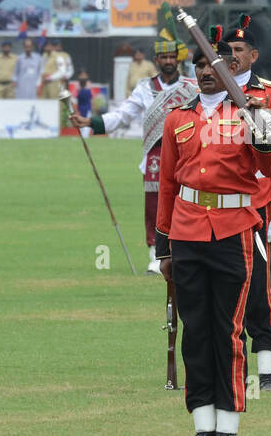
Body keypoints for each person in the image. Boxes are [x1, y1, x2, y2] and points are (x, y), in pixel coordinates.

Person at [156, 40, 271, 436]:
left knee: (228, 330)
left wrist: (264, 136)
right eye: (201, 66)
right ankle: (202, 426)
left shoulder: (250, 112)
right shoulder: (178, 119)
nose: (207, 72)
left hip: (232, 229)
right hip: (187, 231)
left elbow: (270, 169)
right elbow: (168, 183)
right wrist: (164, 246)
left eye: (215, 65)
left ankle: (228, 428)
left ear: (229, 70)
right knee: (195, 332)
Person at [70, 37, 196, 273]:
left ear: (177, 59)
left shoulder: (190, 86)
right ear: (156, 60)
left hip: (186, 150)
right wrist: (91, 122)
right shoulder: (145, 88)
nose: (169, 61)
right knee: (155, 205)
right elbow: (123, 115)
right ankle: (156, 255)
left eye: (172, 57)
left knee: (187, 201)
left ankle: (186, 253)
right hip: (156, 153)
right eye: (164, 57)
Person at [222, 17, 271, 388]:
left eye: (238, 51)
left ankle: (266, 368)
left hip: (258, 205)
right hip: (217, 206)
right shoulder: (210, 94)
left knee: (260, 287)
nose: (231, 57)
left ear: (253, 55)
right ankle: (228, 361)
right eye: (227, 51)